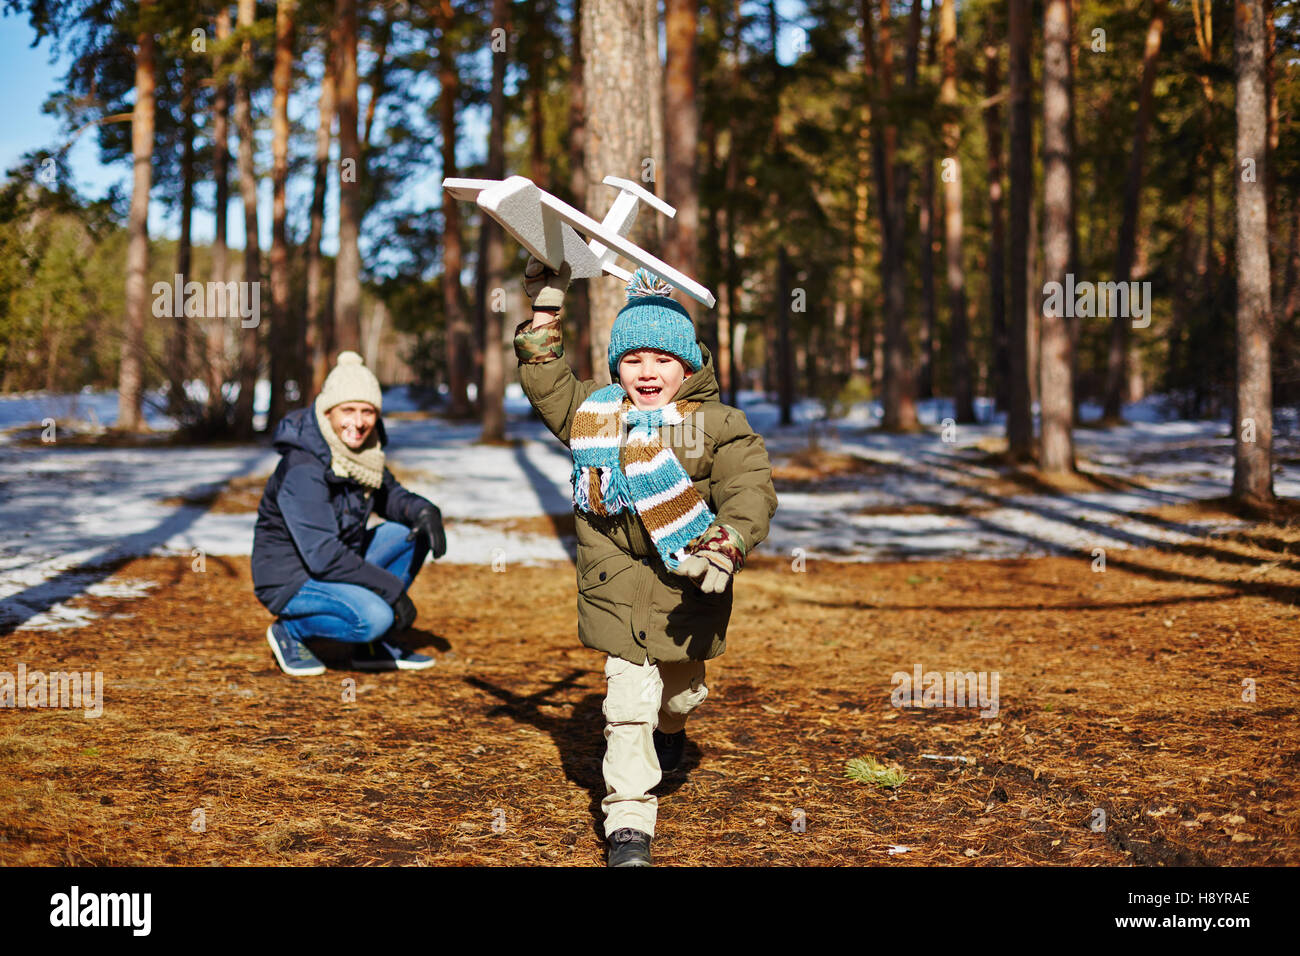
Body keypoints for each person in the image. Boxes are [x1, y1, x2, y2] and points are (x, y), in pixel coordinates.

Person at [514, 259, 778, 866]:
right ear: (617, 368)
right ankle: (629, 821)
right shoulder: (594, 416)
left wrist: (728, 540)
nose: (647, 372)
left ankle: (673, 730)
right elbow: (548, 380)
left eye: (662, 359)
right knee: (627, 704)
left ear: (687, 365)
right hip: (617, 585)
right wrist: (547, 313)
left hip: (689, 586)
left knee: (679, 695)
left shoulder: (716, 425)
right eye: (633, 360)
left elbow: (750, 487)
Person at [252, 350, 447, 676]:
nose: (358, 423)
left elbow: (390, 495)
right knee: (375, 616)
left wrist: (425, 511)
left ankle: (371, 647)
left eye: (367, 412)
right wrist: (391, 591)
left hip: (334, 559)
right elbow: (323, 555)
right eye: (349, 410)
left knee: (407, 535)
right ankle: (291, 631)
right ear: (328, 411)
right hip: (293, 578)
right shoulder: (304, 466)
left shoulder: (363, 453)